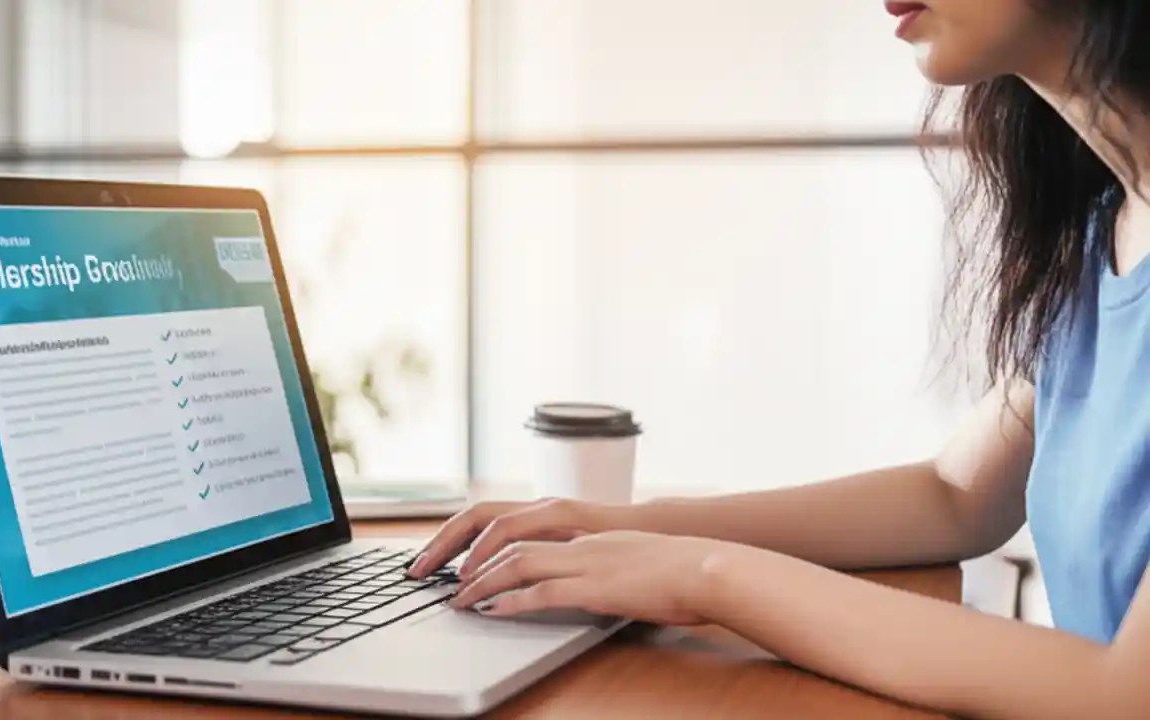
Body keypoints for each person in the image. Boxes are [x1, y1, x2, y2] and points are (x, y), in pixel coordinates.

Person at [407, 2, 1150, 717]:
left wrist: (703, 578)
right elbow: (955, 495)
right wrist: (621, 526)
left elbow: (1127, 695)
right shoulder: (1103, 230)